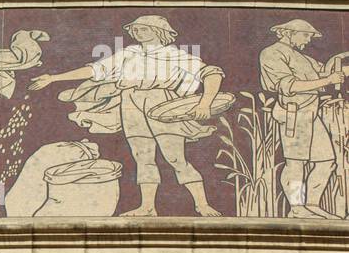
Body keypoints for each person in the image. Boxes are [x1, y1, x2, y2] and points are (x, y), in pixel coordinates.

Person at [30, 14, 222, 217]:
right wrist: (54, 78)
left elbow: (212, 73)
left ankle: (202, 205)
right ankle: (148, 207)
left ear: (159, 31)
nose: (138, 32)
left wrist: (205, 102)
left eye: (144, 29)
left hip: (162, 104)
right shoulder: (128, 54)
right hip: (131, 105)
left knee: (175, 158)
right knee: (143, 157)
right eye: (135, 29)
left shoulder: (175, 55)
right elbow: (95, 70)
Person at [258, 18, 349, 218]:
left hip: (311, 114)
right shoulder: (272, 53)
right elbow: (288, 86)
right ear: (289, 33)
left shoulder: (303, 58)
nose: (308, 40)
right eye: (306, 35)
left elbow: (326, 70)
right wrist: (328, 80)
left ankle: (312, 205)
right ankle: (297, 208)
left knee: (327, 161)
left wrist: (341, 63)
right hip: (294, 114)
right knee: (295, 163)